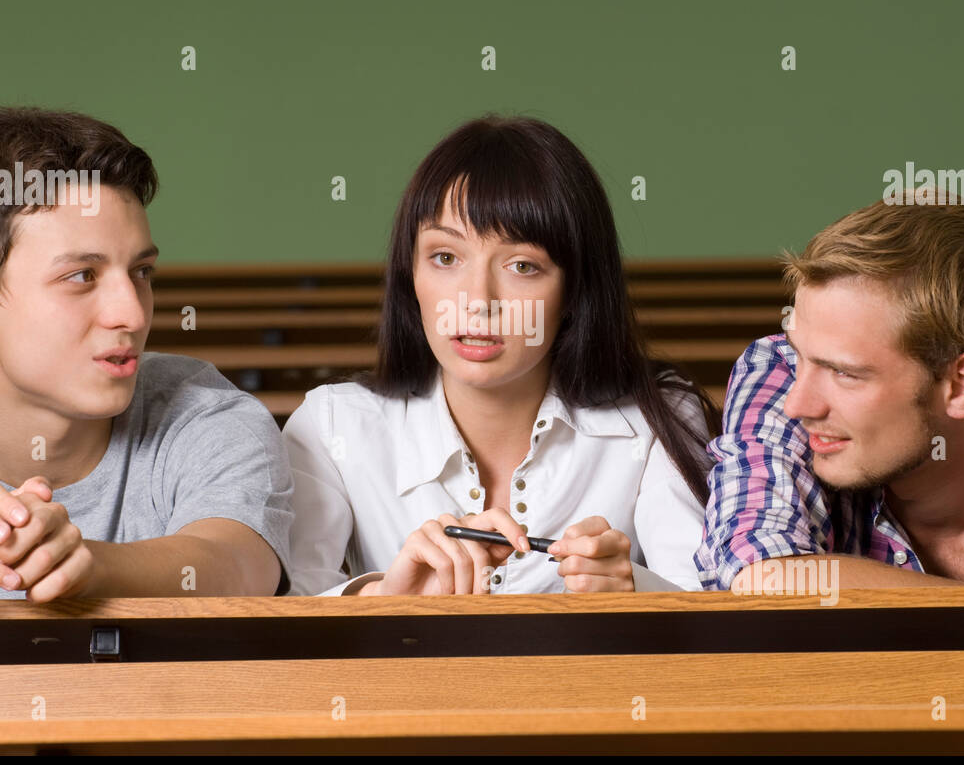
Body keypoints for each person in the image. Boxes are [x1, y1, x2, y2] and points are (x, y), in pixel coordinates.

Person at [0, 107, 292, 600]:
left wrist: (87, 566)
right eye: (82, 276)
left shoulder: (207, 417)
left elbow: (240, 565)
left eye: (141, 272)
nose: (134, 316)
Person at [284, 114, 719, 596]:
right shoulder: (331, 424)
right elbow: (285, 618)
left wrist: (634, 590)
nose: (477, 300)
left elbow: (704, 608)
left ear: (576, 288)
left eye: (522, 265)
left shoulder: (660, 417)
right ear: (410, 275)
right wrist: (387, 601)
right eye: (445, 258)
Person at [699, 193, 964, 592]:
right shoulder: (779, 371)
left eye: (846, 374)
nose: (798, 405)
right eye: (802, 358)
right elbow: (765, 574)